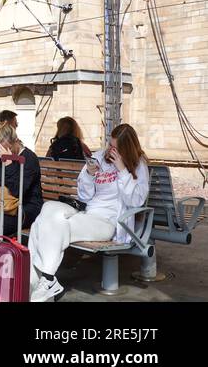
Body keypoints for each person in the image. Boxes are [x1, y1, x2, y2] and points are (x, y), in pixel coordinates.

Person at [28, 124, 149, 302]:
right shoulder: (99, 157)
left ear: (126, 148)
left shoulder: (138, 164)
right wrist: (89, 175)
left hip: (107, 222)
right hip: (86, 213)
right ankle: (46, 282)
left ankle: (38, 282)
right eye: (110, 144)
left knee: (47, 225)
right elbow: (84, 195)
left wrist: (122, 170)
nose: (110, 150)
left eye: (115, 147)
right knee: (47, 211)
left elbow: (136, 201)